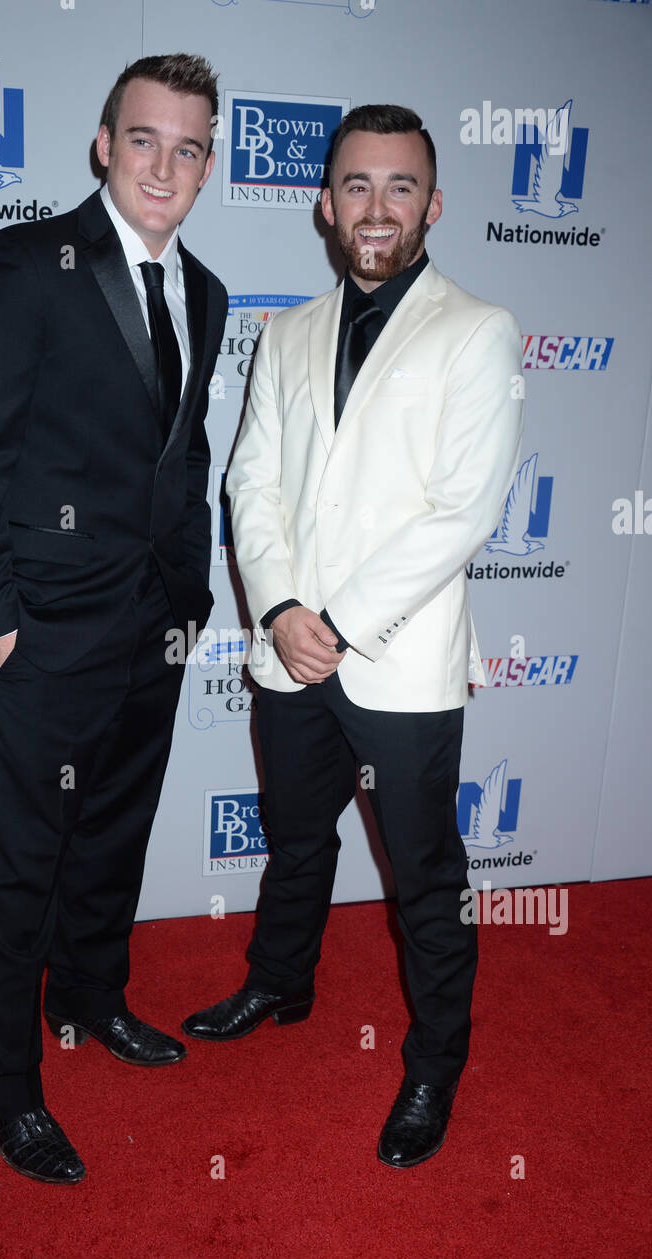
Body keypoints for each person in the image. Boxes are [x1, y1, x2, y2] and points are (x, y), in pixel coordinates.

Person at [183, 105, 524, 1168]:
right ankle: (282, 980)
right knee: (294, 838)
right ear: (324, 205)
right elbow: (250, 482)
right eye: (357, 188)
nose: (377, 209)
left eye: (401, 187)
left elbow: (462, 509)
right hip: (291, 655)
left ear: (433, 204)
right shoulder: (284, 333)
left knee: (423, 875)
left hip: (400, 661)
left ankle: (433, 1063)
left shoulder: (477, 329)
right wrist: (282, 610)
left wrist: (335, 623)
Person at [0, 54, 227, 1184]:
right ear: (104, 143)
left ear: (206, 165)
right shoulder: (27, 262)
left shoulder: (201, 291)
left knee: (115, 827)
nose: (163, 165)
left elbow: (182, 453)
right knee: (22, 855)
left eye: (187, 147)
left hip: (152, 624)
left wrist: (189, 600)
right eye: (143, 139)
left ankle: (92, 993)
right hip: (46, 628)